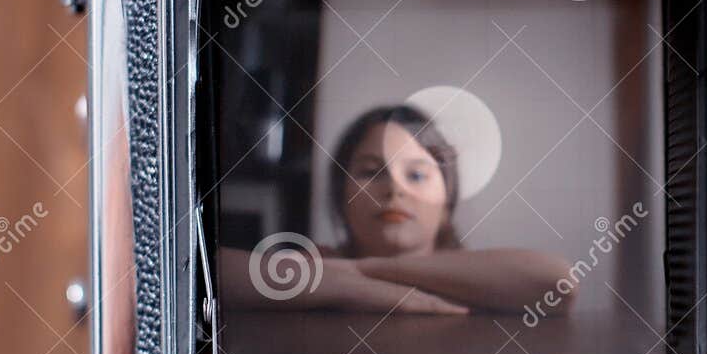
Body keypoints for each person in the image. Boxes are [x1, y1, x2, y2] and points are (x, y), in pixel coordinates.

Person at [219, 103, 578, 316]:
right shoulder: (319, 264)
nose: (393, 188)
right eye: (371, 171)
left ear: (446, 205)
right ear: (341, 195)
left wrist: (364, 269)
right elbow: (202, 277)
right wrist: (343, 282)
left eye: (417, 174)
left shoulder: (481, 277)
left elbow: (558, 281)